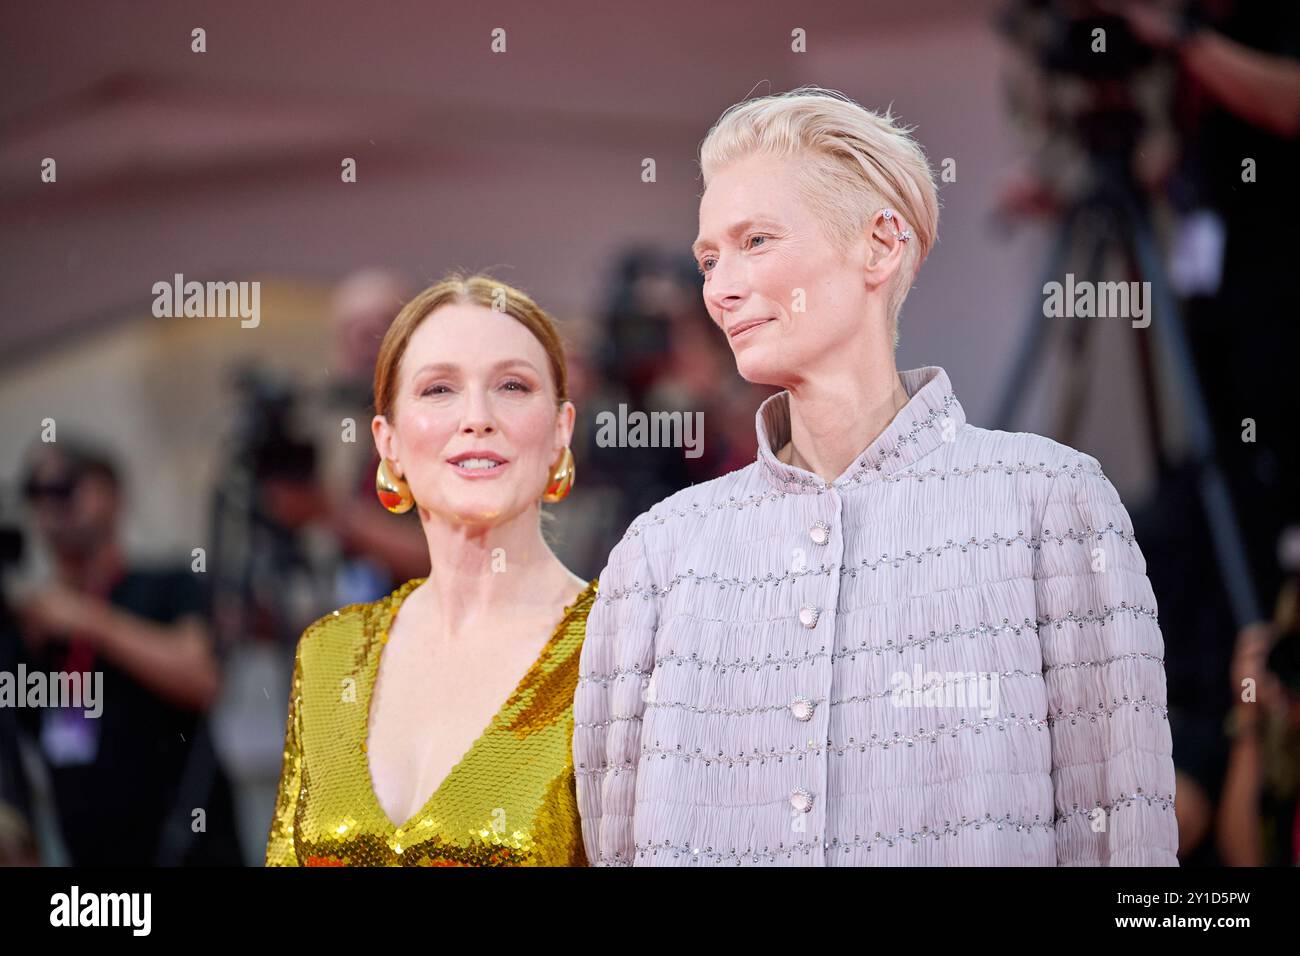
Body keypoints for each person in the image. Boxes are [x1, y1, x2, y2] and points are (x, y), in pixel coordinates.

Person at [574, 87, 1179, 866]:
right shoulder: (658, 554)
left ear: (881, 244)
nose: (720, 289)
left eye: (756, 240)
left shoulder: (1050, 505)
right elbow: (614, 842)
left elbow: (1124, 837)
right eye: (709, 259)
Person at [265, 274, 596, 866]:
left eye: (513, 386)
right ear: (388, 443)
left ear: (560, 432)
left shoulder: (616, 648)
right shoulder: (328, 654)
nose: (476, 416)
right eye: (438, 389)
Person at [12, 440, 242, 865]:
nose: (51, 509)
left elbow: (200, 678)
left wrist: (89, 620)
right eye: (36, 495)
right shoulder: (32, 625)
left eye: (65, 489)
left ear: (111, 495)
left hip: (194, 850)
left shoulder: (168, 584)